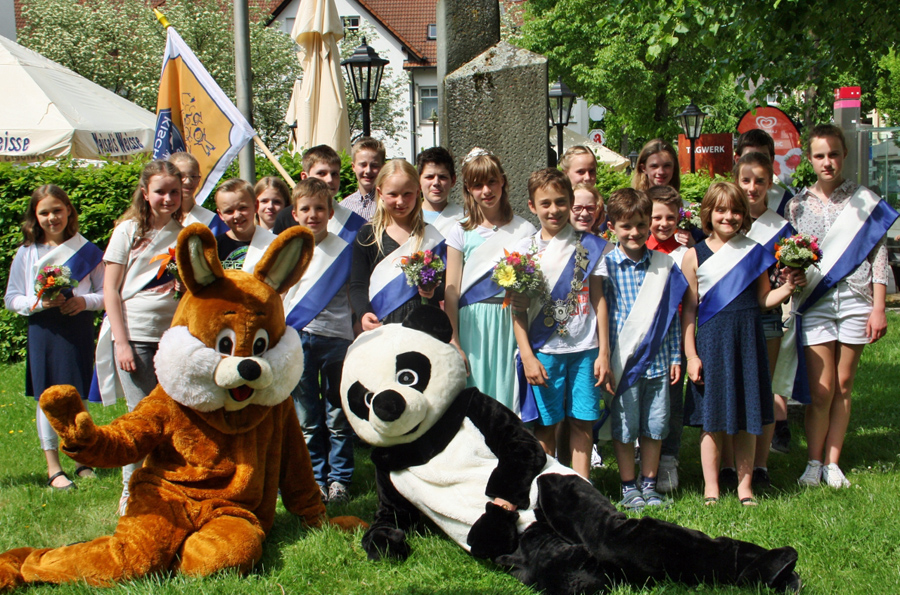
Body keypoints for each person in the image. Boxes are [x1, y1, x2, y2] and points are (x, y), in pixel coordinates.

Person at [776, 124, 897, 489]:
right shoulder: (796, 205)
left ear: (844, 155)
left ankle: (832, 463)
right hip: (816, 302)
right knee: (822, 387)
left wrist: (879, 307)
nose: (827, 162)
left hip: (858, 299)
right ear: (808, 159)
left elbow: (879, 255)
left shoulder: (865, 200)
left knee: (844, 384)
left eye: (833, 154)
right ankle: (812, 463)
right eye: (819, 156)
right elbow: (788, 253)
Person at [681, 182, 802, 506]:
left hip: (748, 343)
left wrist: (788, 287)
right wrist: (691, 355)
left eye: (735, 211)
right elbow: (689, 310)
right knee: (711, 419)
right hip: (710, 344)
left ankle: (745, 487)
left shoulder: (754, 252)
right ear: (708, 213)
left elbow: (764, 299)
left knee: (749, 418)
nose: (729, 216)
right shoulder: (693, 255)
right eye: (721, 210)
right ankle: (711, 487)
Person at [96, 160, 184, 515]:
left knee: (174, 416)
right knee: (141, 418)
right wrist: (121, 342)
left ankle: (166, 484)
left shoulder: (185, 231)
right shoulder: (128, 231)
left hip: (173, 338)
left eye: (174, 191)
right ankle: (130, 492)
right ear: (145, 193)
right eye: (160, 191)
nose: (167, 198)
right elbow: (110, 289)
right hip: (135, 334)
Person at [511, 168, 611, 480]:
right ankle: (549, 488)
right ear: (531, 206)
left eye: (560, 202)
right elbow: (517, 310)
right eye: (545, 204)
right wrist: (527, 355)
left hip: (585, 349)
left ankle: (581, 489)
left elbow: (599, 300)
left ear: (570, 202)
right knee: (546, 424)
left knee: (582, 421)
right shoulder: (523, 252)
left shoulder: (590, 246)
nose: (554, 210)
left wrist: (604, 352)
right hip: (545, 352)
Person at [4, 185, 105, 490]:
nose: (52, 217)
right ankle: (53, 467)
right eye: (44, 212)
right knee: (47, 397)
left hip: (76, 327)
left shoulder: (87, 249)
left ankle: (82, 459)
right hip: (44, 329)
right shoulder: (26, 253)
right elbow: (12, 298)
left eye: (57, 210)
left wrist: (83, 302)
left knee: (75, 396)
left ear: (69, 211)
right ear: (35, 216)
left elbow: (105, 293)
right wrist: (38, 304)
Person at [603, 188, 686, 509]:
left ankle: (649, 485)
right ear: (612, 227)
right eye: (626, 226)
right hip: (623, 362)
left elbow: (672, 316)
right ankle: (628, 486)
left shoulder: (664, 265)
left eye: (640, 224)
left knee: (655, 424)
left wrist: (677, 355)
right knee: (625, 426)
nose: (634, 232)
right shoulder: (605, 267)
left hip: (661, 361)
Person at [443, 149, 536, 411]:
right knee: (476, 396)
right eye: (477, 185)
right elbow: (452, 291)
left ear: (503, 181)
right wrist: (455, 341)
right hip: (472, 325)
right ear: (467, 190)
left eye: (492, 181)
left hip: (510, 322)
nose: (486, 190)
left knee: (508, 393)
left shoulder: (524, 230)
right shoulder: (459, 231)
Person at [282, 178, 355, 505]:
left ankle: (340, 478)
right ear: (295, 213)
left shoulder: (344, 250)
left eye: (320, 209)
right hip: (298, 339)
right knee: (307, 417)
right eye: (306, 209)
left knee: (338, 416)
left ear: (330, 211)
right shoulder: (287, 251)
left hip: (337, 340)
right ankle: (315, 478)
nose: (313, 215)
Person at [724, 152, 794, 490]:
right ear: (736, 180)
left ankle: (761, 467)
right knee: (730, 390)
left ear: (770, 185)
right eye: (746, 180)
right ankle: (726, 467)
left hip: (765, 319)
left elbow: (788, 272)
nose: (752, 187)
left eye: (760, 182)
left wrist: (793, 277)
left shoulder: (780, 229)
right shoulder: (722, 221)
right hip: (725, 320)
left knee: (762, 393)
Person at [350, 159, 446, 329]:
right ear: (380, 193)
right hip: (382, 327)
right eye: (393, 194)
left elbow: (445, 284)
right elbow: (358, 285)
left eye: (407, 194)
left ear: (417, 192)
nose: (400, 202)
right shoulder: (368, 236)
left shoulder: (432, 237)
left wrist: (433, 291)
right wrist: (364, 313)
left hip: (424, 329)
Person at [645, 185, 689, 493]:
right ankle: (641, 456)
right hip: (640, 338)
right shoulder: (635, 248)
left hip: (673, 339)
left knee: (672, 401)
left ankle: (669, 459)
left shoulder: (685, 254)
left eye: (670, 217)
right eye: (656, 216)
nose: (663, 223)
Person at [271, 145, 365, 245]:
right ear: (304, 176)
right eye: (321, 173)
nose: (329, 180)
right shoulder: (285, 218)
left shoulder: (355, 223)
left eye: (334, 174)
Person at [213, 179, 275, 273]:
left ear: (255, 206)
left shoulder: (273, 243)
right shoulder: (214, 247)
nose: (237, 215)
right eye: (229, 211)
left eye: (243, 208)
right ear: (220, 214)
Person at [735, 128, 794, 217]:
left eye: (762, 158)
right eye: (748, 157)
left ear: (772, 160)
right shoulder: (723, 201)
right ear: (737, 159)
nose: (755, 163)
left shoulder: (787, 203)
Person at [169, 152, 228, 235]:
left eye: (193, 176)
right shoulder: (157, 219)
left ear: (198, 180)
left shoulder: (211, 222)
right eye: (181, 176)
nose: (188, 181)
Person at [417, 146, 464, 236]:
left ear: (453, 180)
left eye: (442, 177)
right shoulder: (410, 217)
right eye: (429, 177)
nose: (436, 183)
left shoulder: (463, 218)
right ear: (418, 180)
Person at [342, 137, 386, 221]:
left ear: (383, 167)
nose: (368, 171)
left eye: (374, 165)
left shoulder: (388, 204)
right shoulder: (345, 207)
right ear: (353, 167)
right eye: (363, 165)